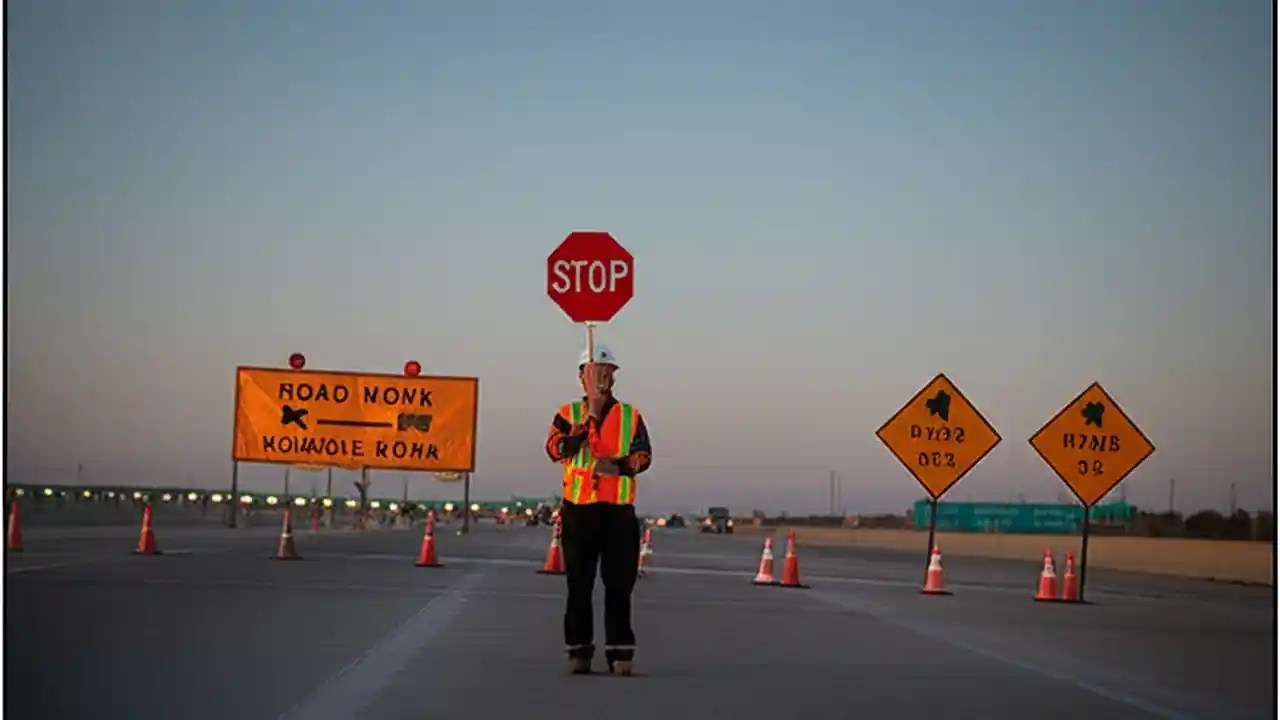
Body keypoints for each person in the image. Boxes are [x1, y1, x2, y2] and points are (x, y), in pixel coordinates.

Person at [544, 343, 653, 676]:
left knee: (619, 584)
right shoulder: (568, 414)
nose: (601, 379)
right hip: (579, 509)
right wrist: (589, 415)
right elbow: (556, 450)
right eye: (594, 373)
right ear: (581, 377)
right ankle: (579, 651)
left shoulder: (630, 415)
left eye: (607, 373)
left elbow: (643, 455)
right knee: (579, 583)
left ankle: (620, 652)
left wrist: (619, 466)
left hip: (618, 511)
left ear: (614, 378)